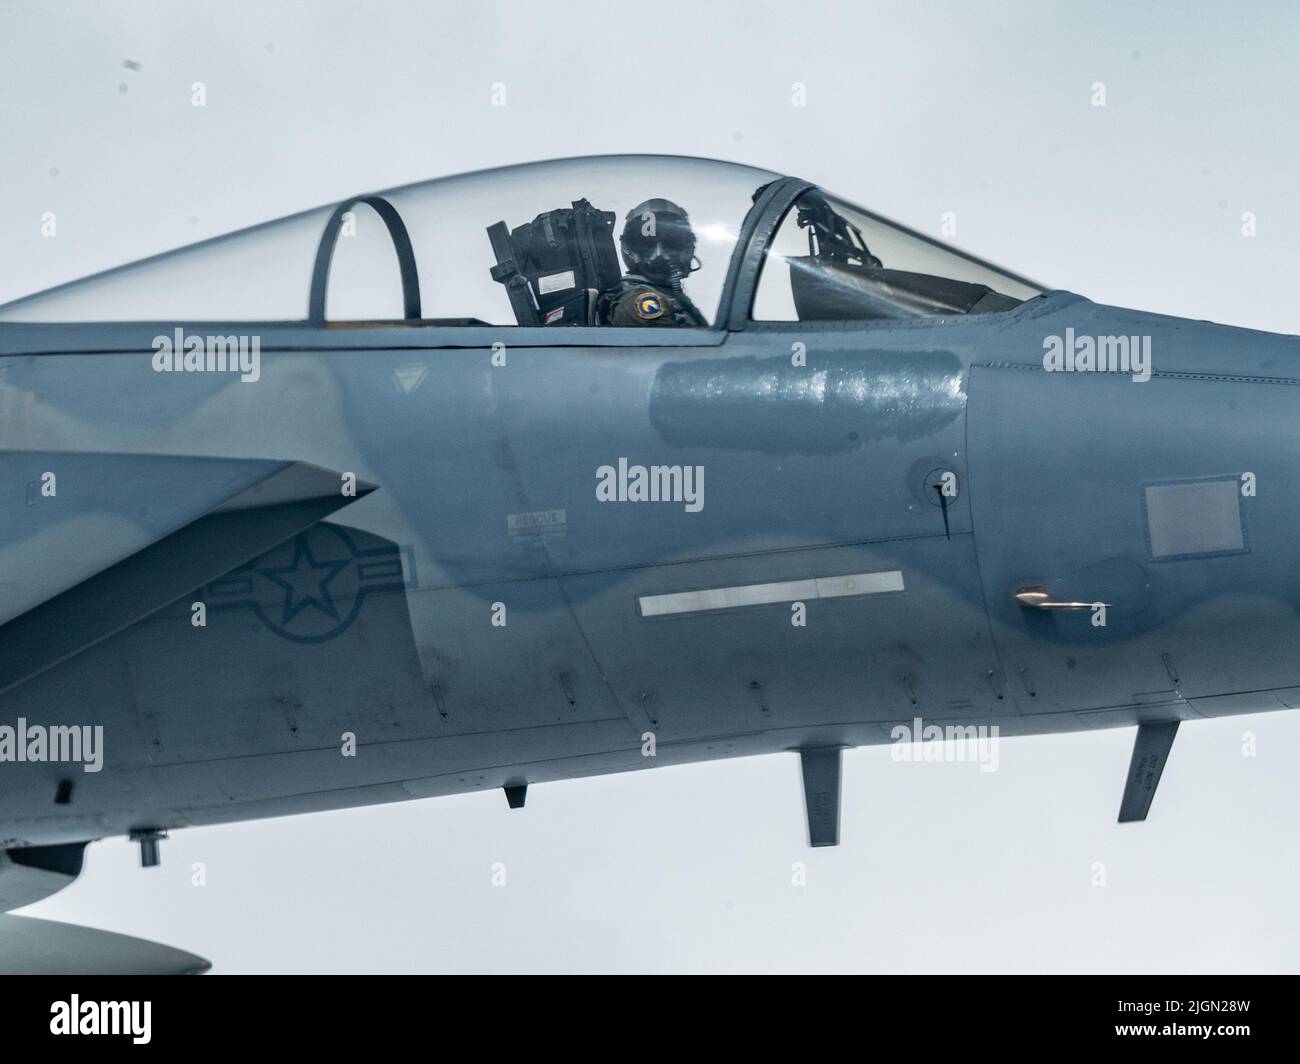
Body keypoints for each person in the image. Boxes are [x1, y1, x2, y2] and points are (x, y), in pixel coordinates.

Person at [598, 198, 707, 326]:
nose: (659, 255)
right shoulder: (638, 302)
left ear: (687, 249)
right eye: (647, 246)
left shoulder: (671, 297)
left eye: (671, 245)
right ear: (630, 250)